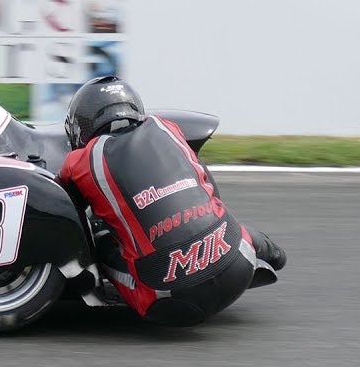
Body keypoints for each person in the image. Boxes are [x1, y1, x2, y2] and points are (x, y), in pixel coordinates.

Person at [56, 76, 287, 327]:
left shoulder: (78, 161)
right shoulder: (168, 127)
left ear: (82, 125)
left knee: (97, 236)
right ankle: (273, 253)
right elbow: (211, 189)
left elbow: (67, 213)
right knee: (221, 217)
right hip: (236, 265)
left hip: (168, 299)